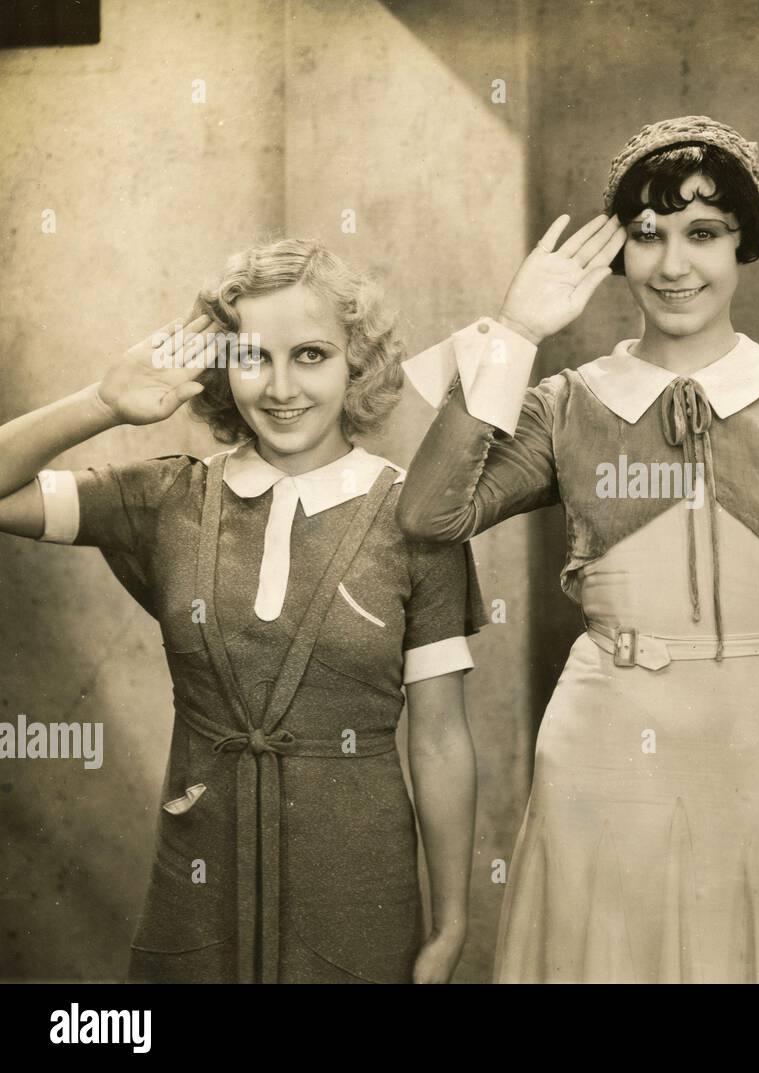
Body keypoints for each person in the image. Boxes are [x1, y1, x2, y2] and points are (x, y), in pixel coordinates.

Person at [396, 116, 759, 983]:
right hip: (603, 755)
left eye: (703, 234)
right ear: (619, 252)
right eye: (647, 236)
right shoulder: (567, 403)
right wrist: (514, 330)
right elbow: (432, 513)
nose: (673, 264)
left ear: (743, 245)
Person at [0, 240, 484, 983]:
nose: (282, 386)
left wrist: (451, 923)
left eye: (313, 354)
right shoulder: (167, 498)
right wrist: (101, 402)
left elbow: (442, 738)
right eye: (254, 356)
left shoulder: (414, 518)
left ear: (359, 361)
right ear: (220, 367)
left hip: (359, 890)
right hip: (196, 880)